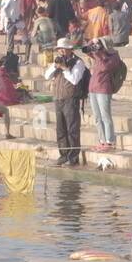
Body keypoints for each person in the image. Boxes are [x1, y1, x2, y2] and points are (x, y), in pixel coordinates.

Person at [45, 38, 87, 166]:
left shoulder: (78, 62)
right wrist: (55, 65)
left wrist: (65, 68)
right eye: (59, 49)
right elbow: (47, 76)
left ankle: (73, 157)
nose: (61, 51)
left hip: (71, 99)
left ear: (70, 49)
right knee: (60, 129)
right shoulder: (58, 61)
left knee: (72, 129)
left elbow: (74, 80)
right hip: (58, 99)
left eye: (63, 49)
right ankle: (63, 155)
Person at [86, 37, 124, 151]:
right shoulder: (99, 55)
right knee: (97, 117)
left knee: (105, 117)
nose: (98, 48)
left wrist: (99, 53)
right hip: (92, 89)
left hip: (103, 89)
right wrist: (92, 42)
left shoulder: (114, 57)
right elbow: (87, 50)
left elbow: (104, 68)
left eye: (101, 45)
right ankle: (102, 141)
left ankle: (110, 141)